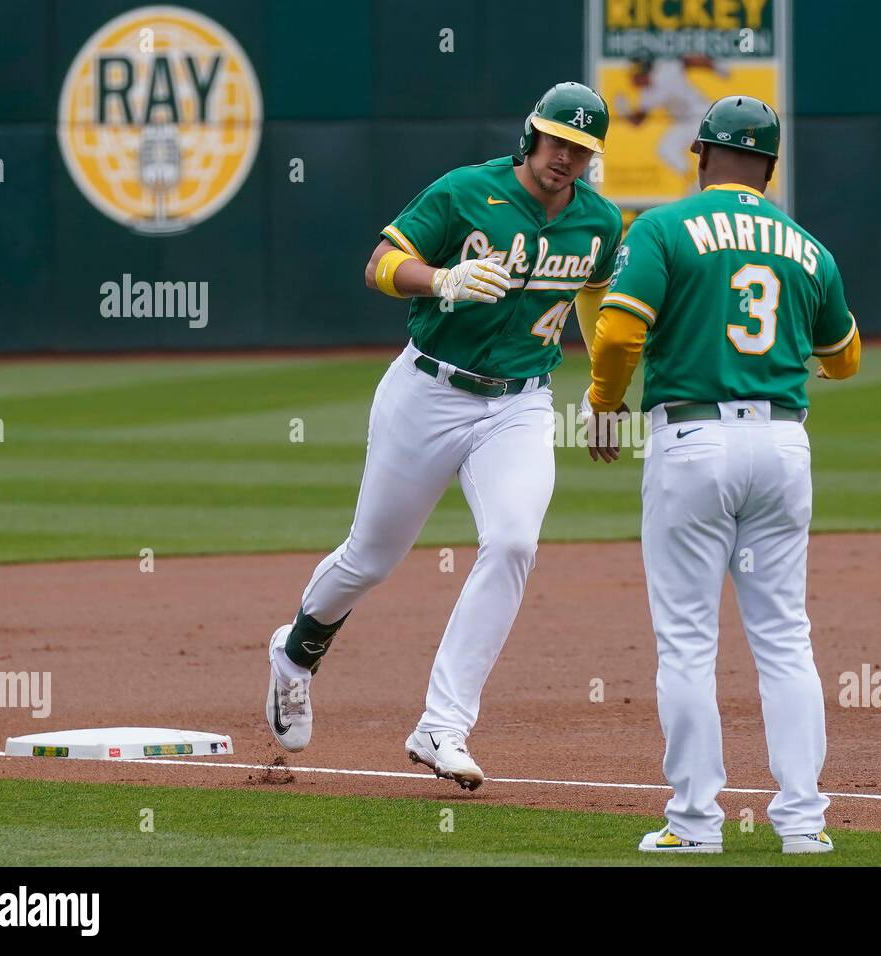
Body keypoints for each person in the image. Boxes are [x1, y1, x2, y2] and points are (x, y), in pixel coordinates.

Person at [264, 82, 623, 791]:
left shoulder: (599, 221)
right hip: (428, 390)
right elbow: (380, 266)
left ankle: (443, 725)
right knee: (371, 557)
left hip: (519, 404)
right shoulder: (466, 191)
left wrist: (605, 390)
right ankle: (295, 652)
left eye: (581, 149)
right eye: (557, 142)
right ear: (531, 137)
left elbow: (593, 293)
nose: (566, 158)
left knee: (515, 541)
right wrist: (443, 281)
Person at [584, 95, 861, 852]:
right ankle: (804, 825)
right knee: (784, 639)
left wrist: (604, 405)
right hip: (782, 446)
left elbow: (615, 333)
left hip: (693, 442)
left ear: (699, 155)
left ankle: (696, 824)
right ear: (770, 169)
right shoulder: (808, 246)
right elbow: (845, 360)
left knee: (686, 643)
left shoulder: (664, 229)